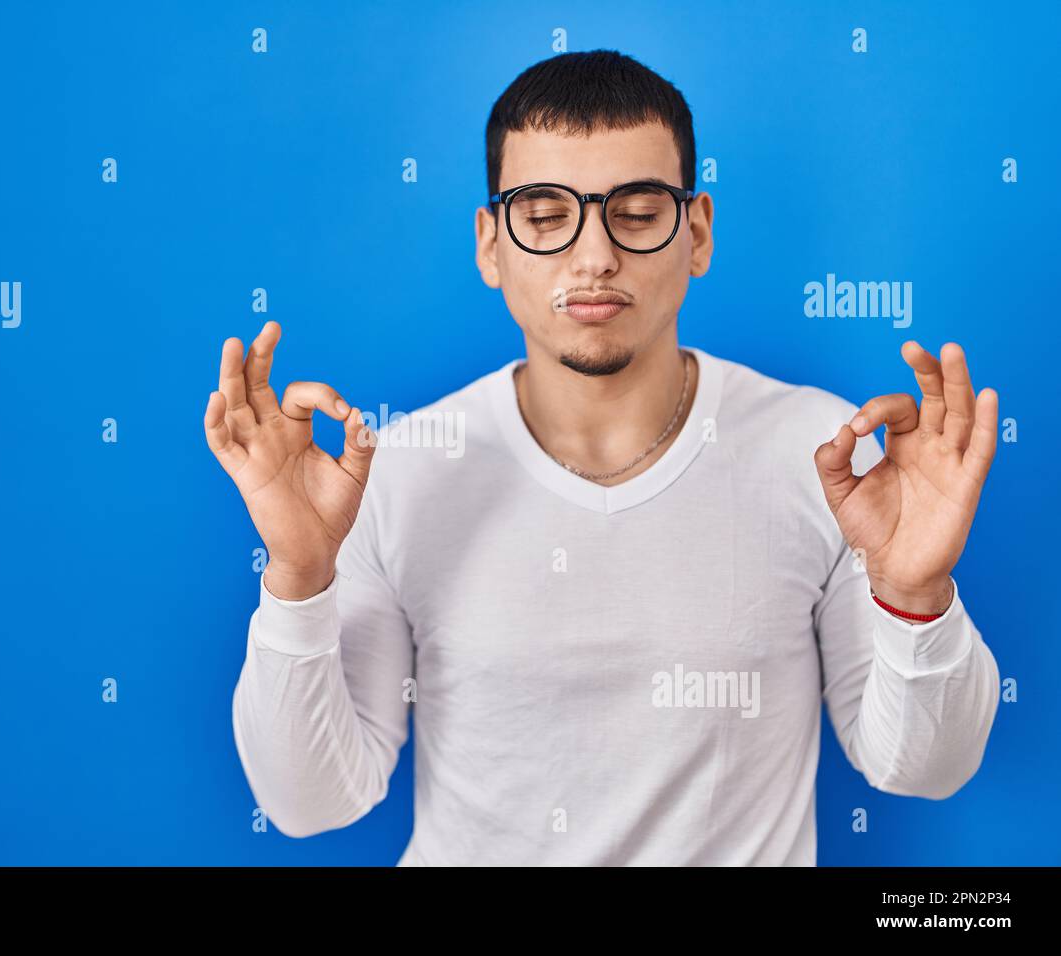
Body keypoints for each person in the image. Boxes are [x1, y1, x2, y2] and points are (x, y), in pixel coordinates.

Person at [204, 50, 1001, 865]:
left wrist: (915, 594)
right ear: (490, 244)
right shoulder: (402, 470)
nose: (594, 257)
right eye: (545, 214)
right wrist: (299, 581)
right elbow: (308, 805)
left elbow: (925, 772)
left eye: (637, 209)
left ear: (695, 234)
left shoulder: (819, 453)